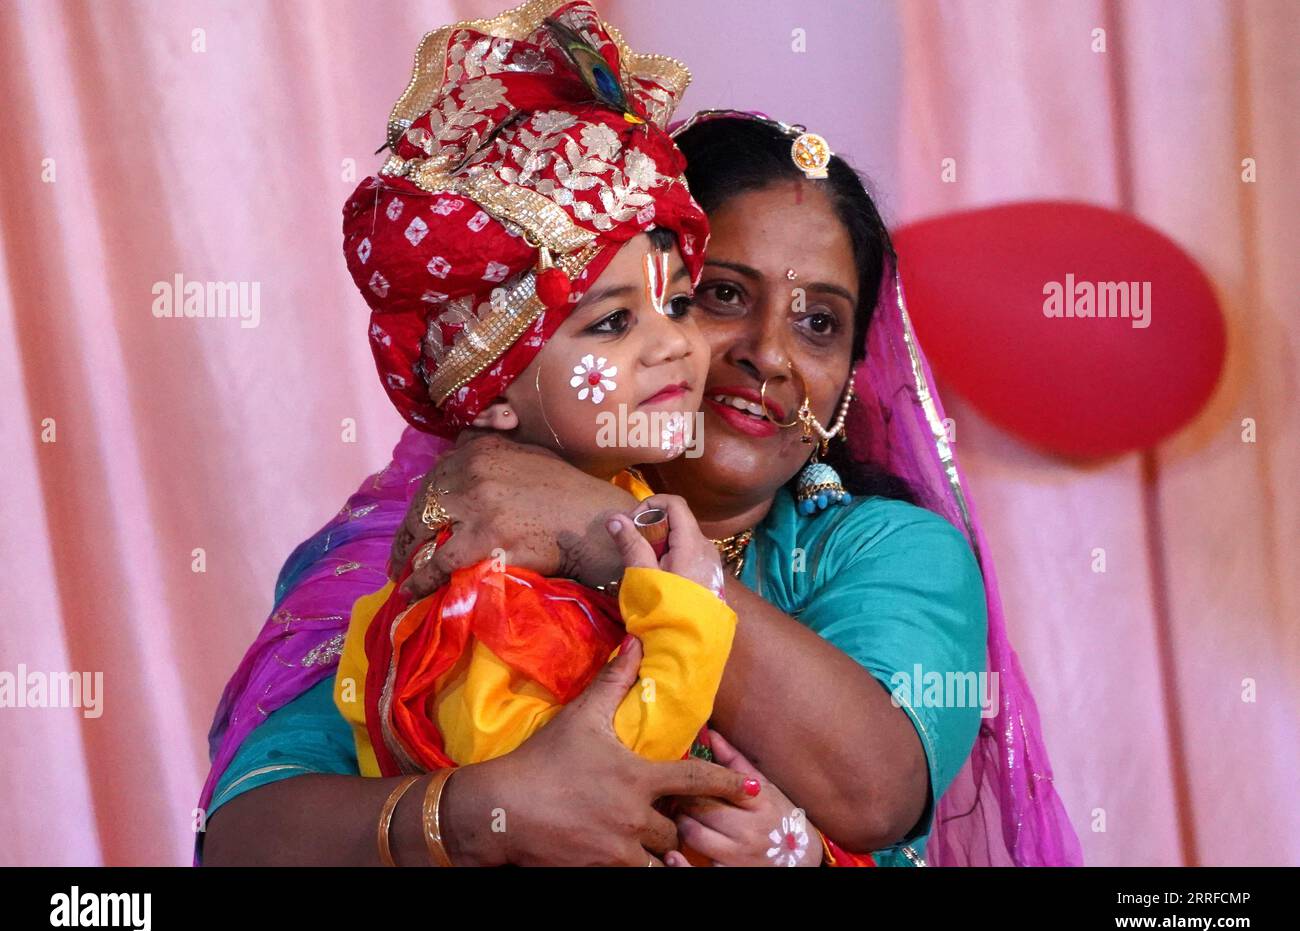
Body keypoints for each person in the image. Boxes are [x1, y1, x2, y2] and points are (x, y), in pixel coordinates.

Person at [199, 1, 1081, 868]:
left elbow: (874, 793)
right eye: (719, 295)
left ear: (853, 374)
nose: (768, 354)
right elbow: (244, 838)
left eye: (820, 324)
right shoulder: (451, 526)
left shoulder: (883, 552)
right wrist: (484, 811)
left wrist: (607, 534)